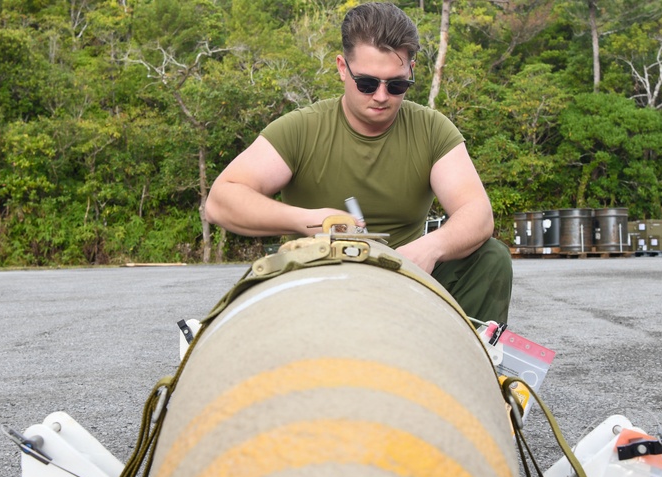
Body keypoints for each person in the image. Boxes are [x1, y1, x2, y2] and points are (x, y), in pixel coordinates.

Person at [205, 2, 512, 323]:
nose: (381, 96)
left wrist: (430, 249)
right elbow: (221, 200)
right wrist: (310, 220)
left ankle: (461, 365)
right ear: (342, 67)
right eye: (367, 83)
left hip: (405, 280)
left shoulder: (432, 129)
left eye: (396, 85)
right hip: (318, 280)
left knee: (491, 258)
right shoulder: (301, 128)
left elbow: (478, 213)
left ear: (412, 71)